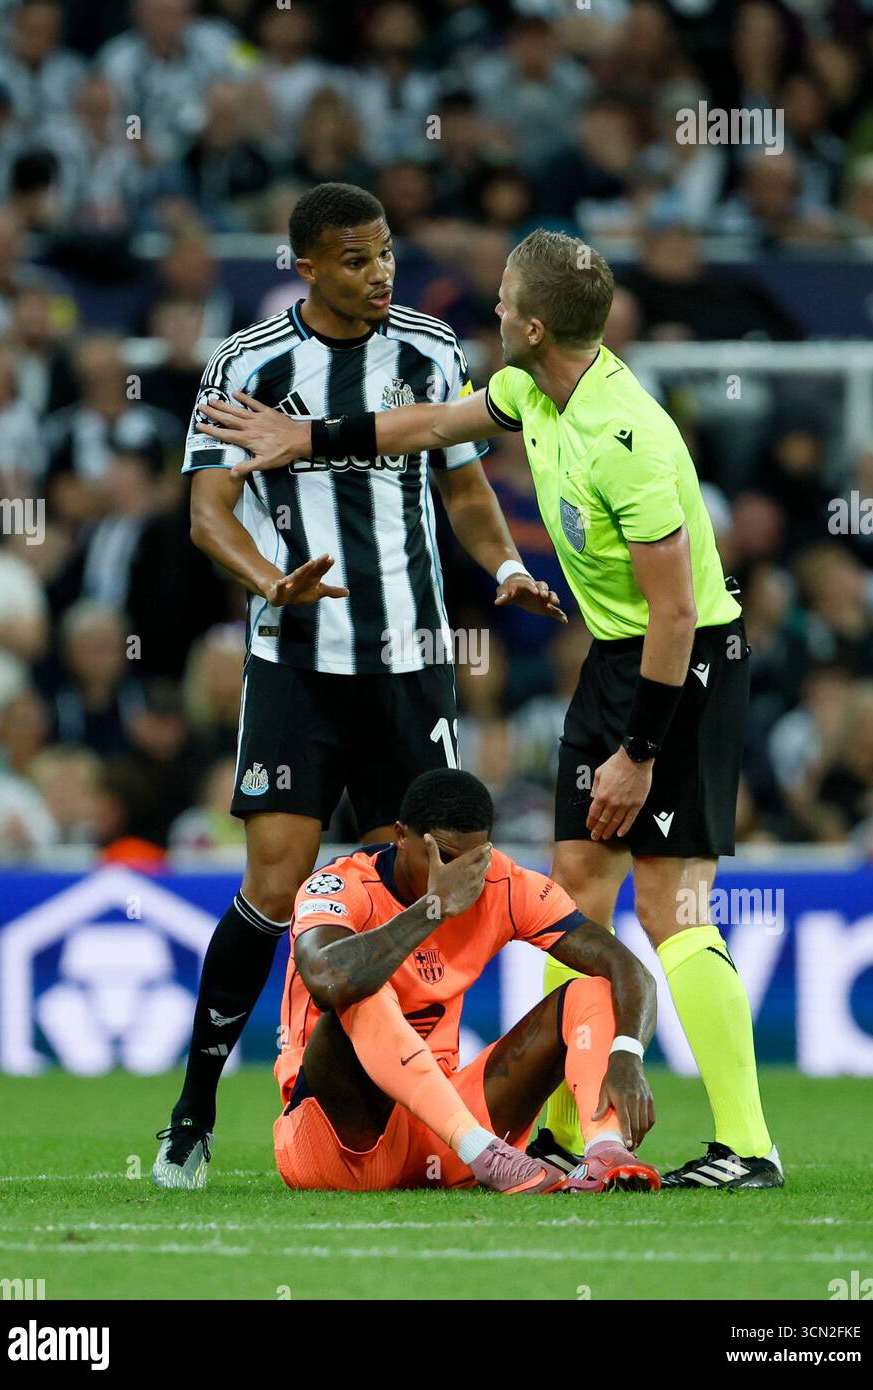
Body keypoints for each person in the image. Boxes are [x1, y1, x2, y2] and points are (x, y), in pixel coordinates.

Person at [199, 227, 783, 1190]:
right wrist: (299, 437)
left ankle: (748, 1146)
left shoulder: (625, 436)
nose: (492, 313)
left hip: (685, 669)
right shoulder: (531, 390)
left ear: (534, 322)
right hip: (612, 661)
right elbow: (429, 427)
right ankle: (565, 1128)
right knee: (574, 897)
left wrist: (639, 750)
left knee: (672, 905)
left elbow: (678, 612)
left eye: (504, 302)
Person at [152, 183, 564, 1188]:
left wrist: (504, 566)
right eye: (352, 259)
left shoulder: (428, 346)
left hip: (410, 663)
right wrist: (266, 581)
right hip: (295, 659)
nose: (377, 273)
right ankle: (193, 1111)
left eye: (382, 253)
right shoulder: (249, 364)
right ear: (304, 265)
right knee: (277, 880)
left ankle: (398, 1109)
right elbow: (208, 509)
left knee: (414, 888)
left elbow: (463, 487)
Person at [271, 768, 659, 1195]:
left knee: (593, 988)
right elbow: (327, 980)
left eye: (471, 861)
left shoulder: (502, 884)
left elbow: (627, 967)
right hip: (340, 1141)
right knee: (364, 987)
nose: (457, 876)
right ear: (401, 836)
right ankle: (483, 1152)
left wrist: (628, 1052)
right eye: (442, 857)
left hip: (442, 1132)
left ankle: (606, 1149)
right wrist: (433, 909)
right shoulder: (343, 884)